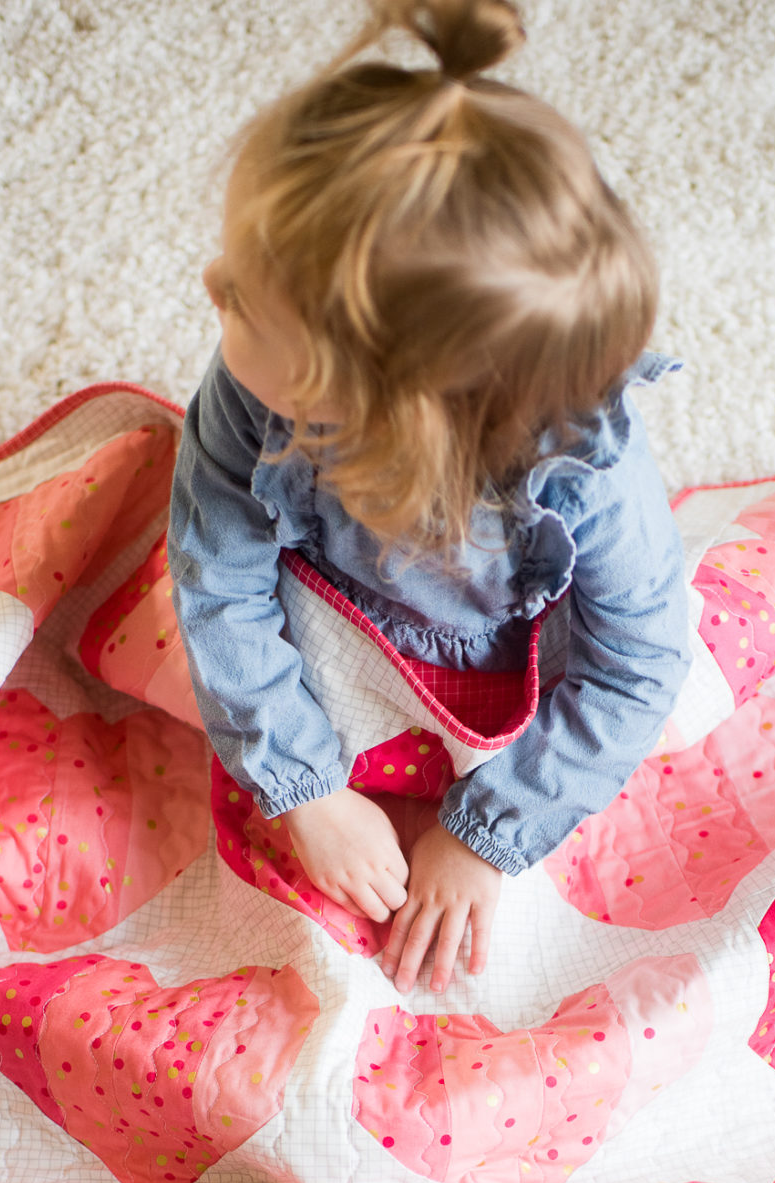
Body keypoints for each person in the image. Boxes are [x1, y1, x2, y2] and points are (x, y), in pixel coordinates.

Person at [168, 0, 690, 996]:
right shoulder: (249, 399)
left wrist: (488, 836)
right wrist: (303, 790)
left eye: (238, 295)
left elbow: (635, 667)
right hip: (335, 607)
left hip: (514, 640)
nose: (207, 280)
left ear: (375, 415)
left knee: (645, 782)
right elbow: (214, 583)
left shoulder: (581, 476)